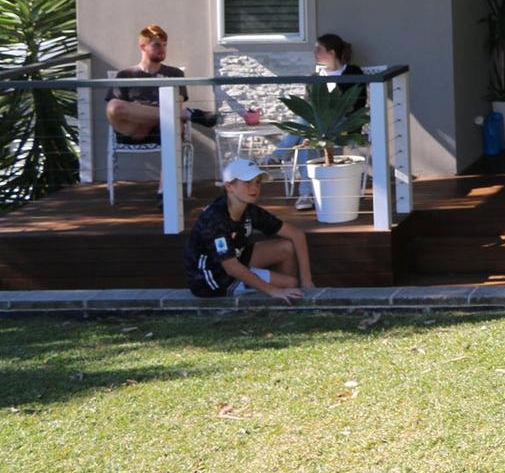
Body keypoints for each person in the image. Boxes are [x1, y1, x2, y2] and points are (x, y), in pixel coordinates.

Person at [185, 158, 315, 300]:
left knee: (286, 247)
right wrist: (273, 290)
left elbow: (296, 234)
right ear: (229, 187)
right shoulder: (215, 219)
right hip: (213, 278)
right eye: (247, 182)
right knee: (289, 283)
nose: (254, 188)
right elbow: (231, 267)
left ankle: (290, 295)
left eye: (257, 182)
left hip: (236, 259)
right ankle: (285, 295)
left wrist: (306, 280)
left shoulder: (249, 209)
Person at [277, 33, 365, 211]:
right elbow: (308, 107)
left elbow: (356, 103)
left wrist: (333, 107)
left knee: (309, 122)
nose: (314, 53)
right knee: (305, 142)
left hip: (344, 126)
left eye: (319, 49)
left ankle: (281, 153)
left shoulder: (353, 72)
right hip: (317, 127)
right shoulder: (315, 76)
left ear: (332, 53)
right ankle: (306, 195)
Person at [105, 24, 217, 144]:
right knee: (113, 106)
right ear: (143, 47)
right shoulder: (125, 74)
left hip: (164, 127)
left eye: (164, 45)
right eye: (157, 45)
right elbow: (115, 112)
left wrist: (146, 118)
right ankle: (187, 114)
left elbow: (176, 105)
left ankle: (181, 114)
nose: (162, 49)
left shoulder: (174, 73)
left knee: (174, 118)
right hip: (132, 130)